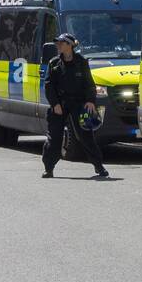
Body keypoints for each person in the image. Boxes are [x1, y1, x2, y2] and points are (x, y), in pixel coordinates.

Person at [42, 32, 108, 179]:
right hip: (60, 104)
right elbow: (48, 85)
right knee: (54, 137)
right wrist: (55, 104)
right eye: (57, 43)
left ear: (70, 45)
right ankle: (48, 168)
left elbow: (89, 84)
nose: (58, 45)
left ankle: (99, 166)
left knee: (86, 136)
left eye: (61, 43)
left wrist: (90, 101)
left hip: (78, 103)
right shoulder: (54, 63)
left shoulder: (81, 62)